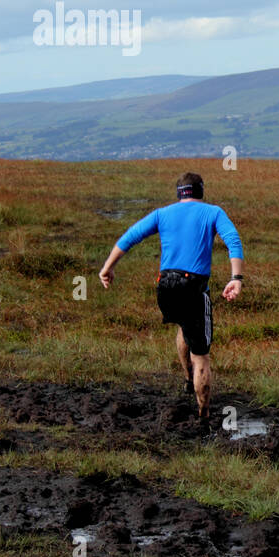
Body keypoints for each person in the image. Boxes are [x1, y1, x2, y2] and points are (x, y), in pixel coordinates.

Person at [98, 172, 244, 420]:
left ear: (179, 193)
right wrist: (236, 278)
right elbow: (233, 240)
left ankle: (188, 380)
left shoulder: (161, 213)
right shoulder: (214, 212)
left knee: (183, 325)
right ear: (201, 190)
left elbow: (130, 236)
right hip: (193, 286)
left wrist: (107, 267)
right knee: (201, 355)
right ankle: (204, 416)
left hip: (165, 286)